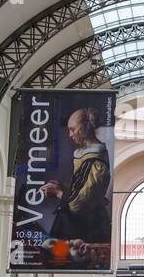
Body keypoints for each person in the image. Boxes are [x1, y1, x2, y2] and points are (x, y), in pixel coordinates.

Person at [41, 108, 112, 255]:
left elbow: (79, 203)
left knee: (63, 257)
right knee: (54, 253)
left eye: (73, 130)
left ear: (84, 128)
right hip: (75, 224)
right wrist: (62, 186)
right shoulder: (84, 154)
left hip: (84, 227)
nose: (70, 134)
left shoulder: (96, 160)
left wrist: (57, 192)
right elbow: (81, 187)